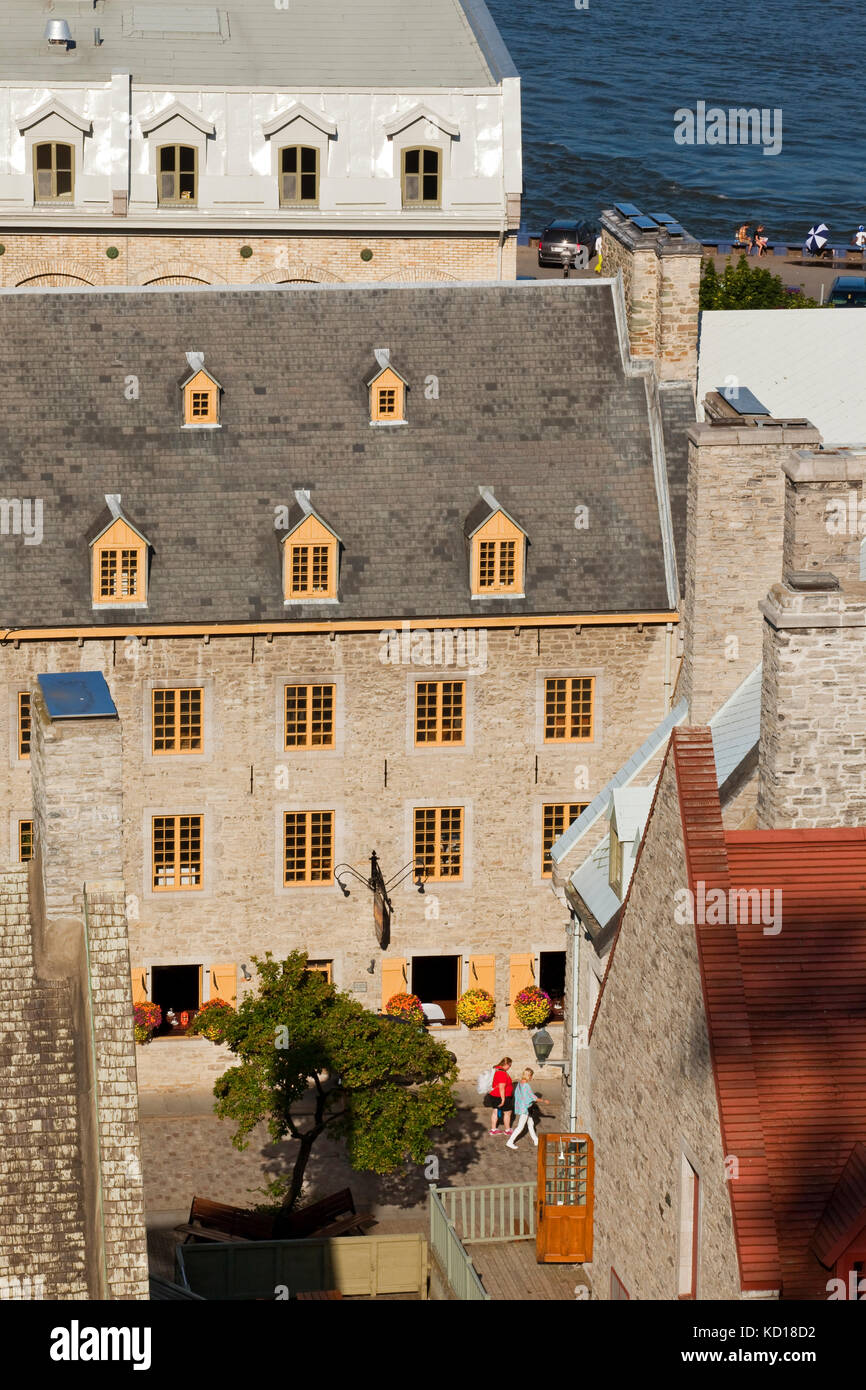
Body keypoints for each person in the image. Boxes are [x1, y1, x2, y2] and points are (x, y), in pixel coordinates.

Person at [506, 1069, 545, 1149]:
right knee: (520, 1126)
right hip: (526, 1109)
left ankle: (535, 1139)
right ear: (529, 1076)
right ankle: (510, 1141)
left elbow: (518, 1095)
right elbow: (532, 1097)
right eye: (531, 1076)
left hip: (524, 1107)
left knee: (531, 1124)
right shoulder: (526, 1085)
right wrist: (543, 1100)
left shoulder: (520, 1083)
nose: (531, 1078)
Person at [485, 1056, 514, 1134]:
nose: (509, 1067)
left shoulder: (495, 1069)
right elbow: (502, 1087)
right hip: (501, 1096)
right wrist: (503, 1099)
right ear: (506, 1064)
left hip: (493, 1094)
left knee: (495, 1111)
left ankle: (493, 1130)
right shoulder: (502, 1073)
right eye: (510, 1065)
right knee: (507, 1112)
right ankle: (507, 1130)